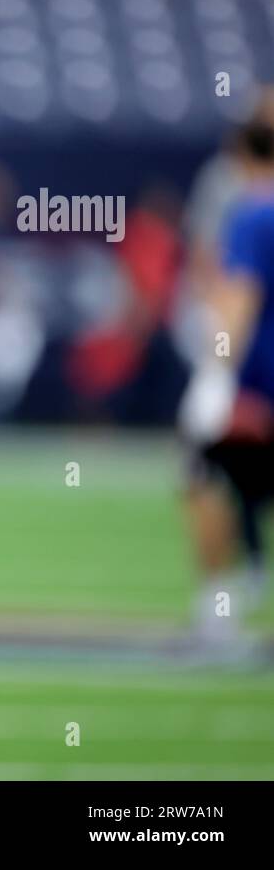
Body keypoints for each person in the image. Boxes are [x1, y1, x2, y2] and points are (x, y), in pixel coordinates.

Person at [179, 114, 274, 657]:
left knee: (199, 476)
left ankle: (218, 612)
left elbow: (239, 297)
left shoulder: (253, 212)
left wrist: (216, 378)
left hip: (257, 386)